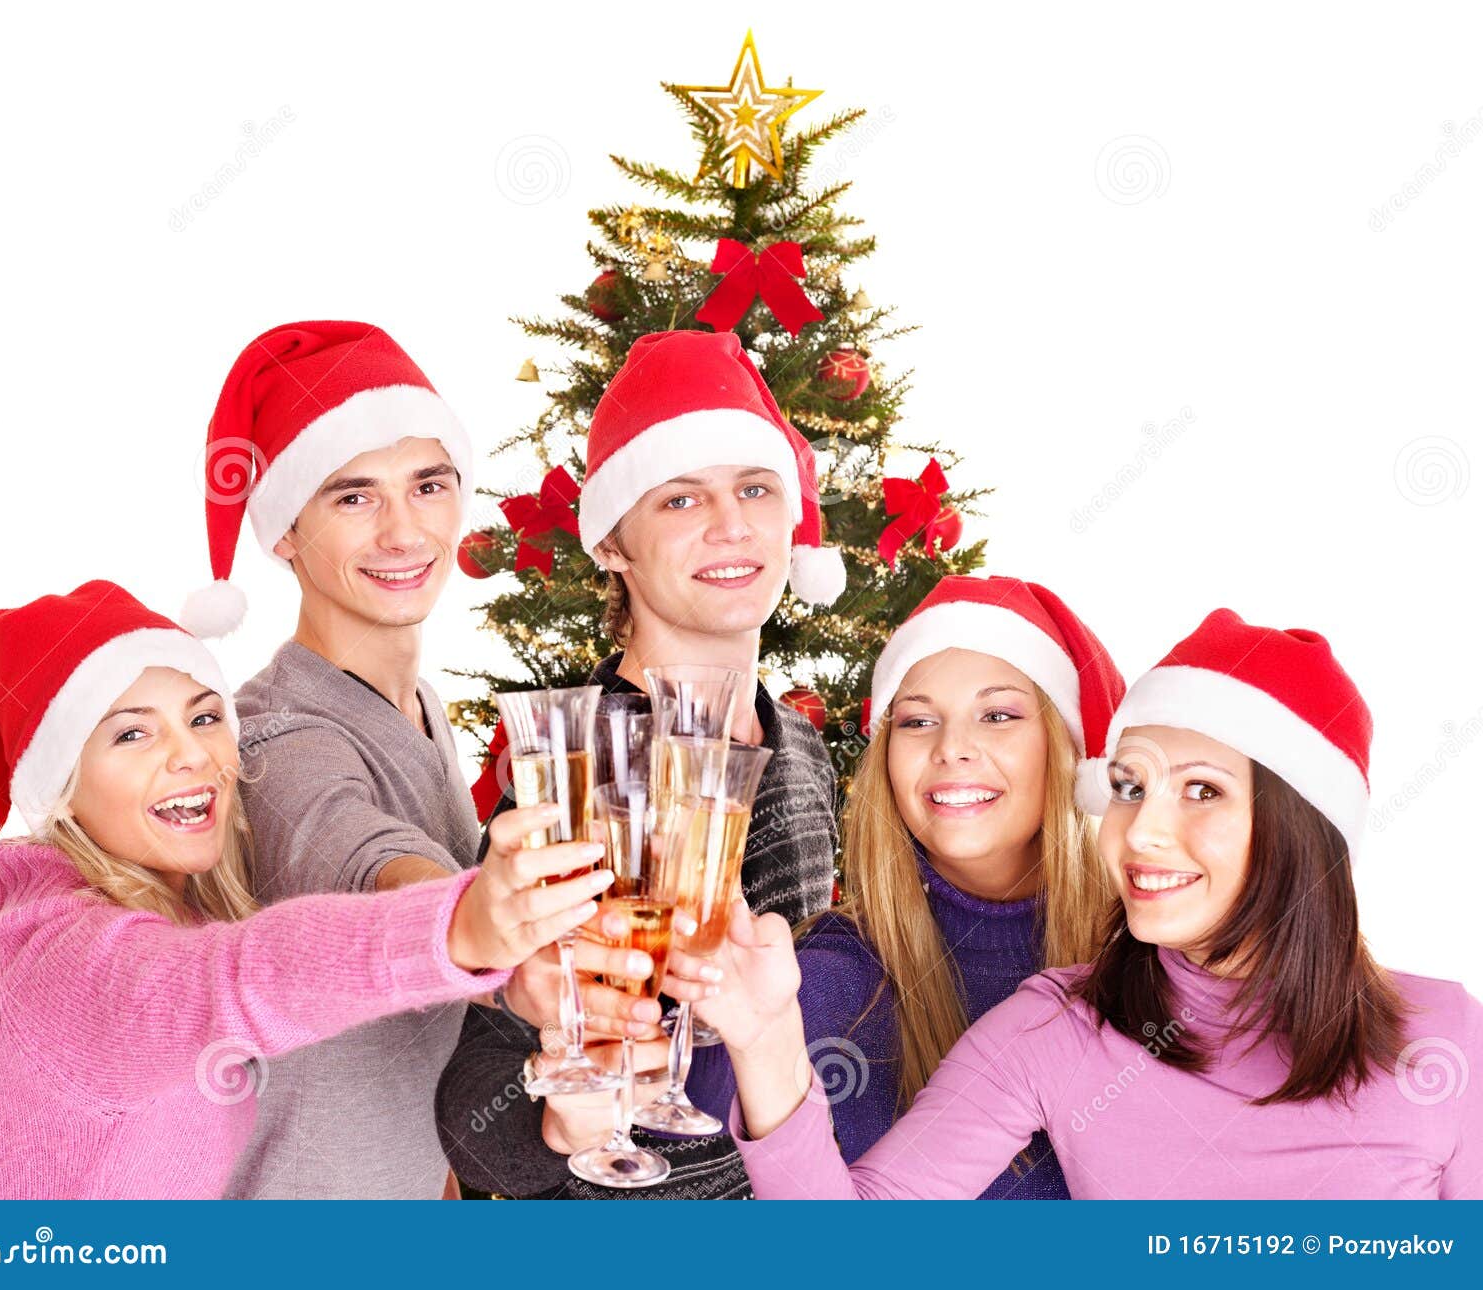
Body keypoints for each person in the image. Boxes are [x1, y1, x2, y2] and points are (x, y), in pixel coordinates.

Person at [676, 608, 1483, 1199]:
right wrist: (765, 1039)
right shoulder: (1056, 1028)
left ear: (1301, 829)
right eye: (1129, 787)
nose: (1143, 832)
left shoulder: (1446, 1037)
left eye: (1202, 790)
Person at [0, 581, 621, 1199]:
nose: (191, 754)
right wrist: (457, 926)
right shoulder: (63, 958)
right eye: (132, 733)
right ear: (62, 787)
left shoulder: (154, 910)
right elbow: (244, 976)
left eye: (203, 717)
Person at [183, 321, 654, 1199]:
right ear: (285, 531)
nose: (405, 531)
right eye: (353, 498)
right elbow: (363, 865)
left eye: (428, 486)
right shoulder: (278, 736)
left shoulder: (422, 709)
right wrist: (489, 930)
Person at [435, 329, 843, 1199]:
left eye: (756, 489)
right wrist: (559, 1120)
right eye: (680, 501)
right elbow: (477, 1110)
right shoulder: (578, 768)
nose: (732, 525)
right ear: (612, 545)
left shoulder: (802, 746)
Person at [687, 574, 1123, 1197]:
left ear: (1067, 749)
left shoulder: (1158, 950)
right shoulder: (838, 973)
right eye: (917, 722)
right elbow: (681, 1125)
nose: (952, 749)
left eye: (997, 715)